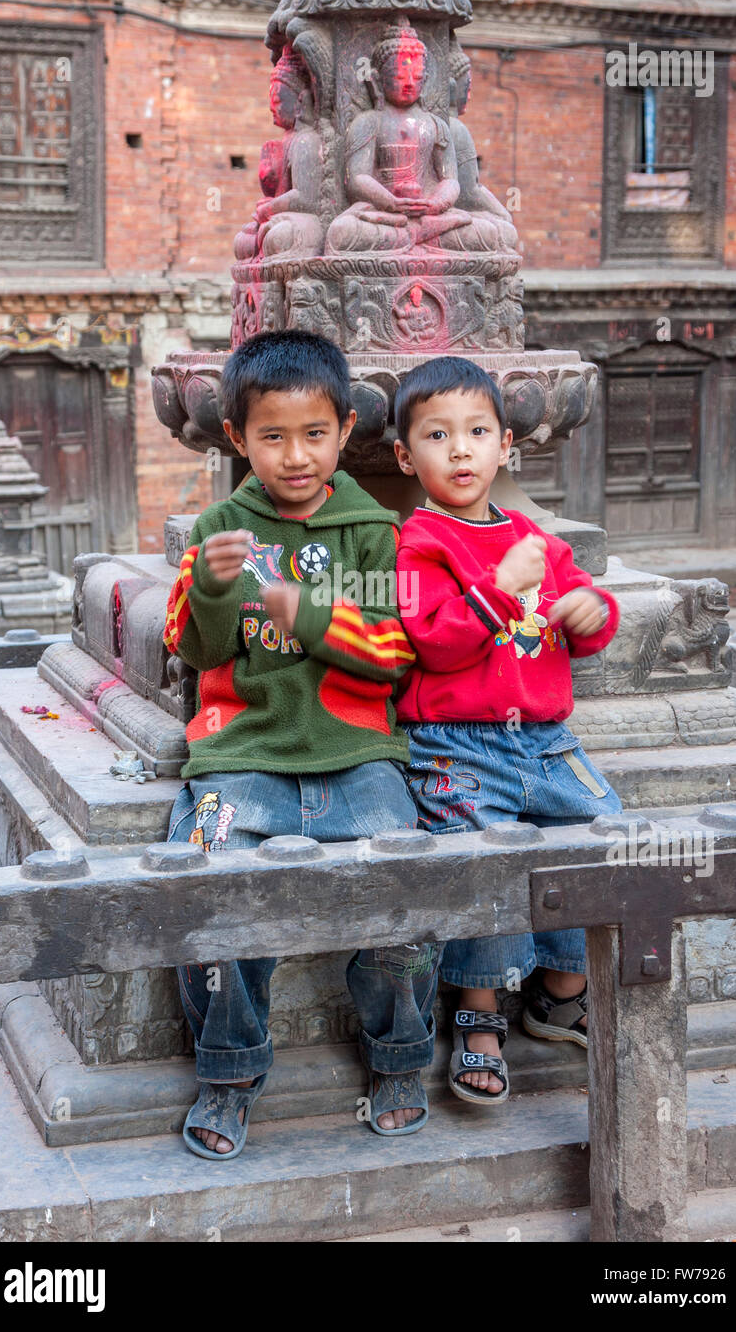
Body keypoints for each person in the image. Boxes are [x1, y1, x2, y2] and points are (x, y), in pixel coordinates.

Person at [163, 329, 440, 1157]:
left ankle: (398, 1056)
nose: (294, 457)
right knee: (203, 887)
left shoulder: (369, 531)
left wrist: (308, 613)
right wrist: (214, 589)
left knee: (412, 891)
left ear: (345, 428)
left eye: (313, 435)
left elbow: (395, 651)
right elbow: (200, 648)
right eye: (271, 437)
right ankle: (230, 1066)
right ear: (236, 437)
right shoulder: (222, 527)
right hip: (242, 756)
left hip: (358, 756)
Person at [392, 356, 622, 1106]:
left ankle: (561, 992)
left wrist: (593, 616)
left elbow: (586, 605)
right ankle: (479, 1015)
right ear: (405, 455)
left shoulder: (535, 538)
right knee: (485, 865)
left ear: (505, 447)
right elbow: (433, 640)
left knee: (607, 834)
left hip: (549, 746)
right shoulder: (419, 543)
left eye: (477, 431)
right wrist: (499, 588)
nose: (460, 450)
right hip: (458, 747)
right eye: (437, 434)